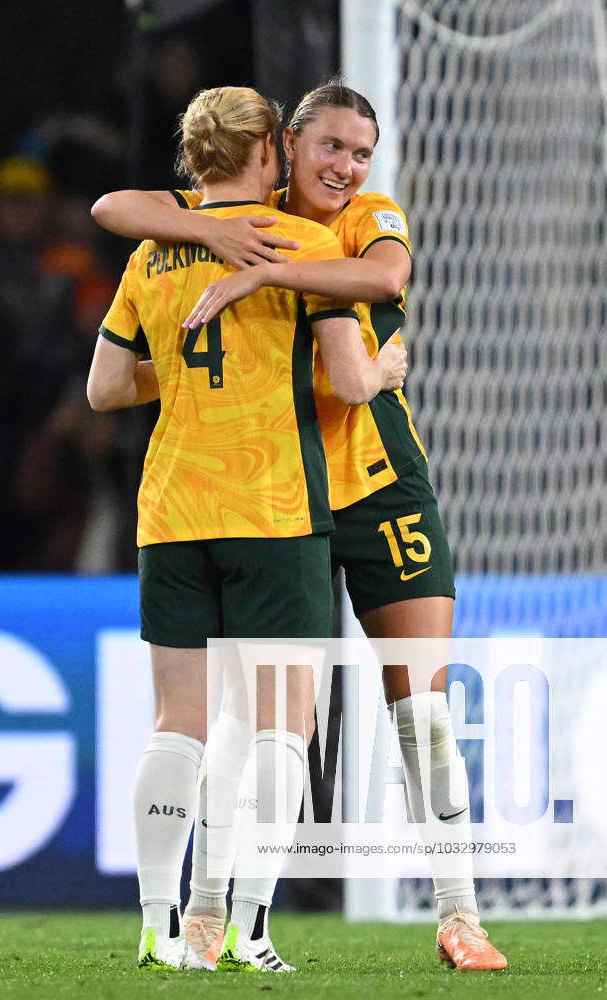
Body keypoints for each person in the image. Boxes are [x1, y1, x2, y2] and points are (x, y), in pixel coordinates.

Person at [92, 81, 508, 973]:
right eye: (329, 148)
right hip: (286, 494)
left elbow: (386, 275)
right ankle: (213, 913)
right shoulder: (238, 216)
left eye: (360, 152)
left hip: (380, 485)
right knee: (253, 716)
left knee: (422, 708)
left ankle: (458, 913)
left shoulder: (357, 219)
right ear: (285, 143)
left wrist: (263, 273)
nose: (345, 167)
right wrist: (209, 234)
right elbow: (115, 205)